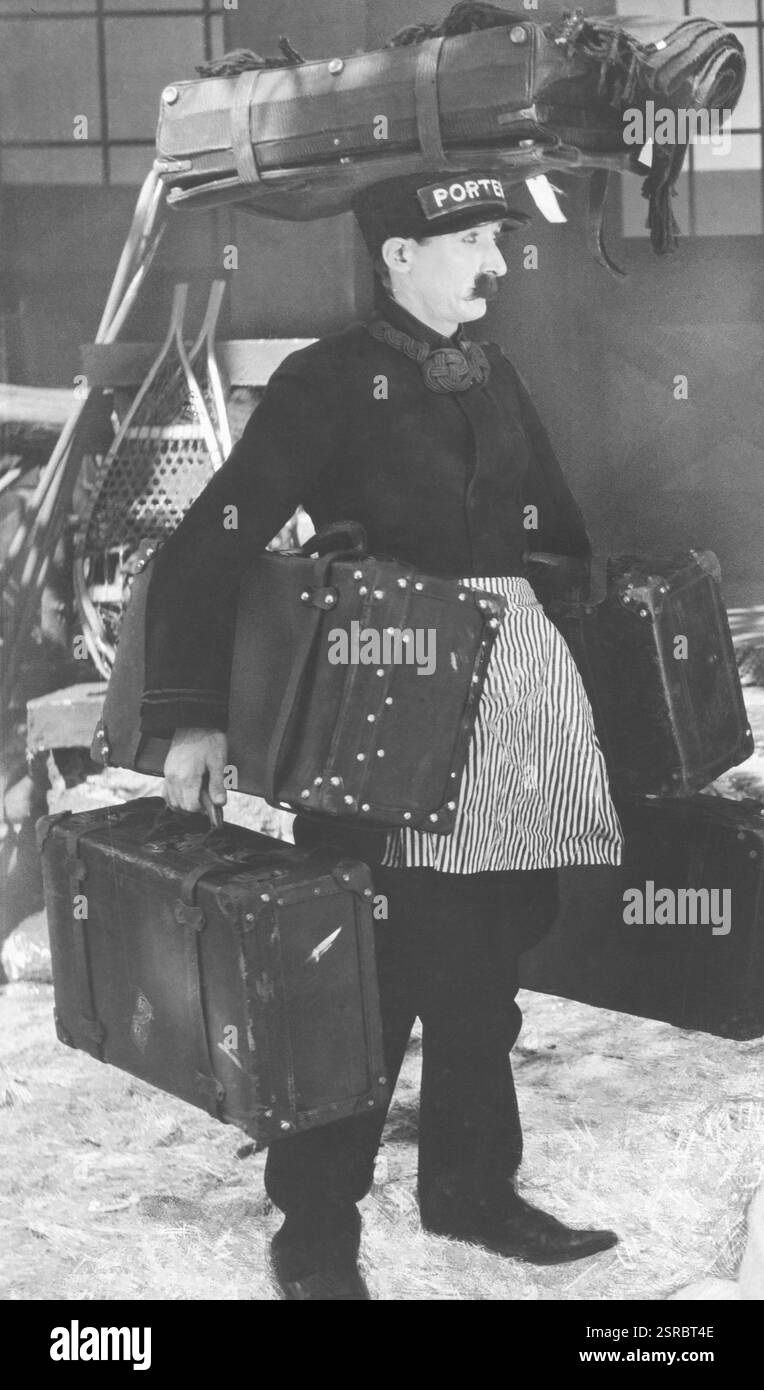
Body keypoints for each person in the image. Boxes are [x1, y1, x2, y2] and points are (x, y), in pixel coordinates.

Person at [140, 168, 624, 1300]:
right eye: (473, 241)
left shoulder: (491, 373)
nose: (498, 263)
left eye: (500, 239)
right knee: (360, 972)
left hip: (508, 703)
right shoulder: (321, 384)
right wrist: (193, 722)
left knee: (486, 955)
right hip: (382, 714)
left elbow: (554, 532)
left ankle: (468, 1189)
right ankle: (313, 1234)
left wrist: (571, 647)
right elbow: (203, 548)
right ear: (398, 253)